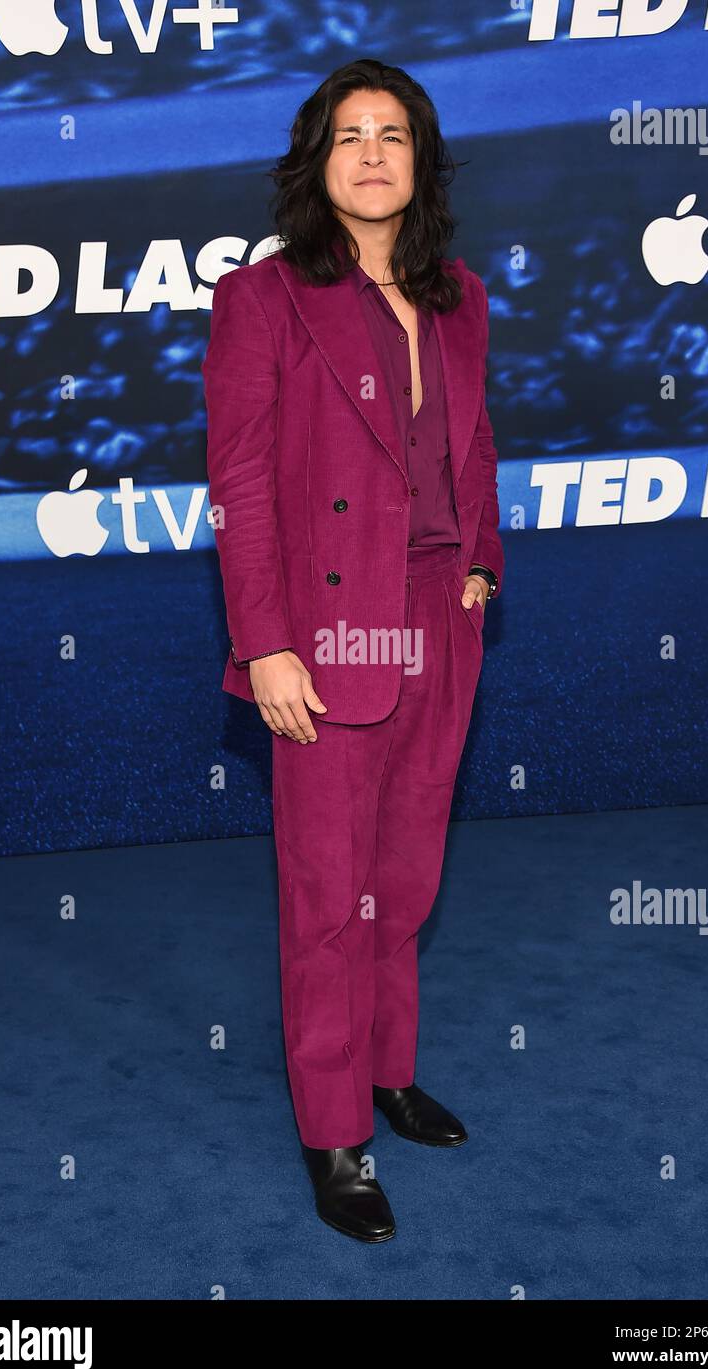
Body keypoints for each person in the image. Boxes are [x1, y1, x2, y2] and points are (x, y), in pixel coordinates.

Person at [202, 57, 503, 1242]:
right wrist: (267, 645)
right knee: (329, 894)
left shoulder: (463, 294)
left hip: (442, 614)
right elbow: (241, 483)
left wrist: (481, 565)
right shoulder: (263, 299)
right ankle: (336, 1133)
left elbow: (476, 443)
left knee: (408, 875)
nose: (371, 152)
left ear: (419, 158)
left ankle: (388, 1068)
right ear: (316, 162)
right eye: (347, 135)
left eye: (392, 133)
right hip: (325, 633)